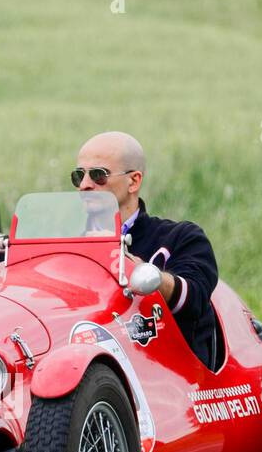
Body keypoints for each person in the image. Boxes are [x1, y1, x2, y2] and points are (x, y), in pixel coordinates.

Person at [73, 131, 220, 368]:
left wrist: (142, 272)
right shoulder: (67, 246)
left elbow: (194, 299)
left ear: (134, 181)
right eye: (78, 176)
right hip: (89, 365)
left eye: (99, 175)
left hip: (169, 373)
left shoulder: (181, 237)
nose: (84, 185)